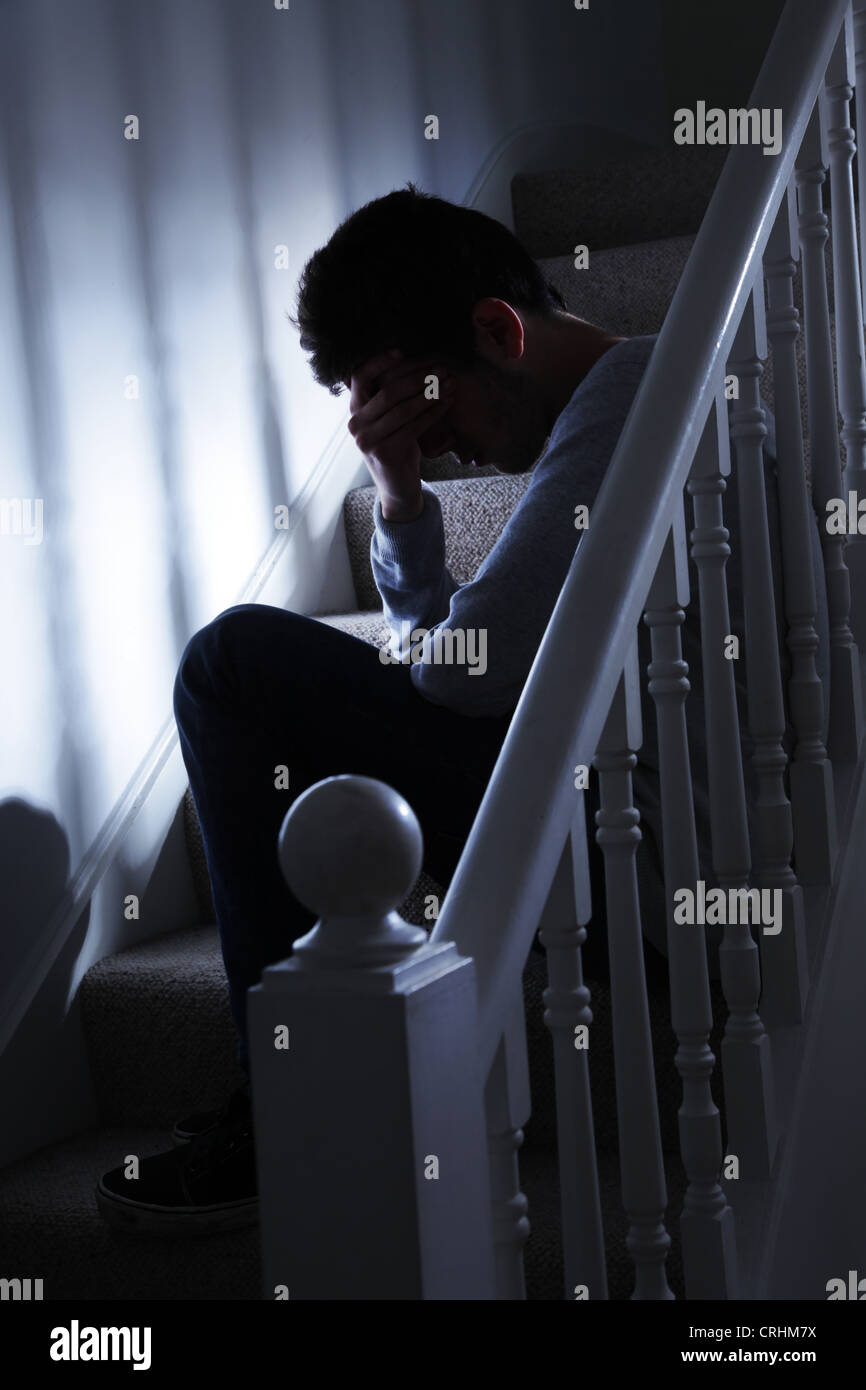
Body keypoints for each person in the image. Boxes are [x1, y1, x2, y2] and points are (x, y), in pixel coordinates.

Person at [95, 183, 827, 1236]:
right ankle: (312, 1064)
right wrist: (395, 497)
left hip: (660, 857)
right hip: (633, 831)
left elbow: (460, 673)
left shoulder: (638, 389)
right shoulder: (639, 399)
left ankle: (290, 1108)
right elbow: (467, 662)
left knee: (232, 664)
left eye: (440, 425)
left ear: (496, 329)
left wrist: (422, 574)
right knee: (264, 684)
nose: (458, 457)